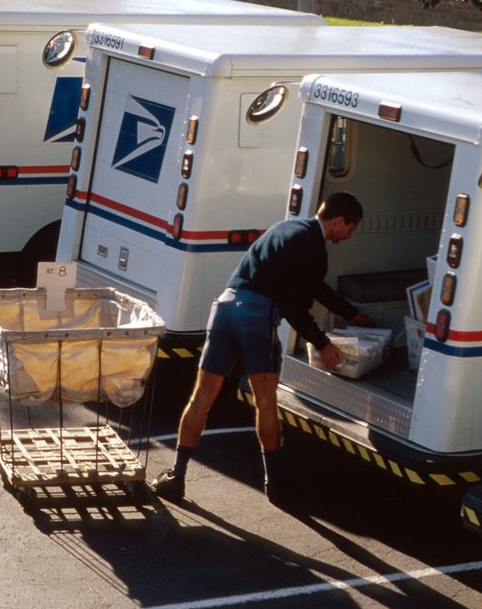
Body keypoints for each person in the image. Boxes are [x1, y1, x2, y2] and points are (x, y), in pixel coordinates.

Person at [150, 191, 375, 504]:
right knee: (265, 402)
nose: (348, 236)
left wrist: (351, 313)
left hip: (225, 307)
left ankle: (176, 475)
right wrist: (322, 344)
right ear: (338, 221)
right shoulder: (314, 247)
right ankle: (276, 485)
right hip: (256, 316)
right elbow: (294, 307)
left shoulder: (285, 228)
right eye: (350, 228)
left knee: (202, 396)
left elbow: (314, 286)